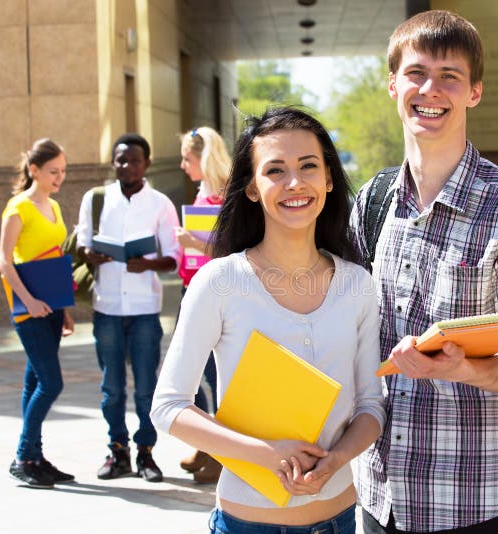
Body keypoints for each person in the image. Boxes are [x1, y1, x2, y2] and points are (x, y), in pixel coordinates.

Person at [351, 10, 498, 534]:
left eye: (451, 77)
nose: (431, 89)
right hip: (380, 500)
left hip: (475, 506)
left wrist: (459, 367)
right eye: (417, 73)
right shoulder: (371, 204)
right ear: (393, 85)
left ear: (475, 92)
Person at [151, 106, 385, 533]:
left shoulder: (358, 285)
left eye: (308, 167)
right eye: (275, 170)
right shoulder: (219, 282)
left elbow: (371, 406)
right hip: (247, 523)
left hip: (340, 518)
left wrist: (336, 459)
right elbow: (168, 408)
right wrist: (267, 454)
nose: (294, 183)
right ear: (253, 188)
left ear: (329, 179)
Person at [76, 133, 181, 483]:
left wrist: (147, 264)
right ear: (113, 163)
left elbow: (174, 258)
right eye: (121, 160)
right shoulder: (95, 199)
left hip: (144, 309)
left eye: (134, 160)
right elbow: (83, 244)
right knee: (112, 388)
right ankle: (117, 451)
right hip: (106, 306)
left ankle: (146, 453)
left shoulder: (161, 204)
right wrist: (91, 254)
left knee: (146, 388)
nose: (127, 166)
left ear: (146, 164)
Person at [0, 138, 76, 489]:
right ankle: (23, 456)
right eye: (52, 172)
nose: (59, 178)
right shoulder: (18, 208)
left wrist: (65, 308)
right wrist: (28, 300)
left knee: (34, 383)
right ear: (34, 170)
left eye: (62, 171)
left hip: (52, 306)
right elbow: (3, 260)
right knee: (50, 383)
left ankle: (34, 458)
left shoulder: (54, 207)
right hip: (28, 309)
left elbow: (56, 257)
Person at [174, 126, 231, 483]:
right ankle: (208, 444)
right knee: (196, 374)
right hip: (192, 289)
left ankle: (223, 452)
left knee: (217, 374)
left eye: (186, 158)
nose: (182, 165)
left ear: (201, 158)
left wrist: (193, 243)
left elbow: (231, 253)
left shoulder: (226, 198)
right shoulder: (202, 194)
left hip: (218, 295)